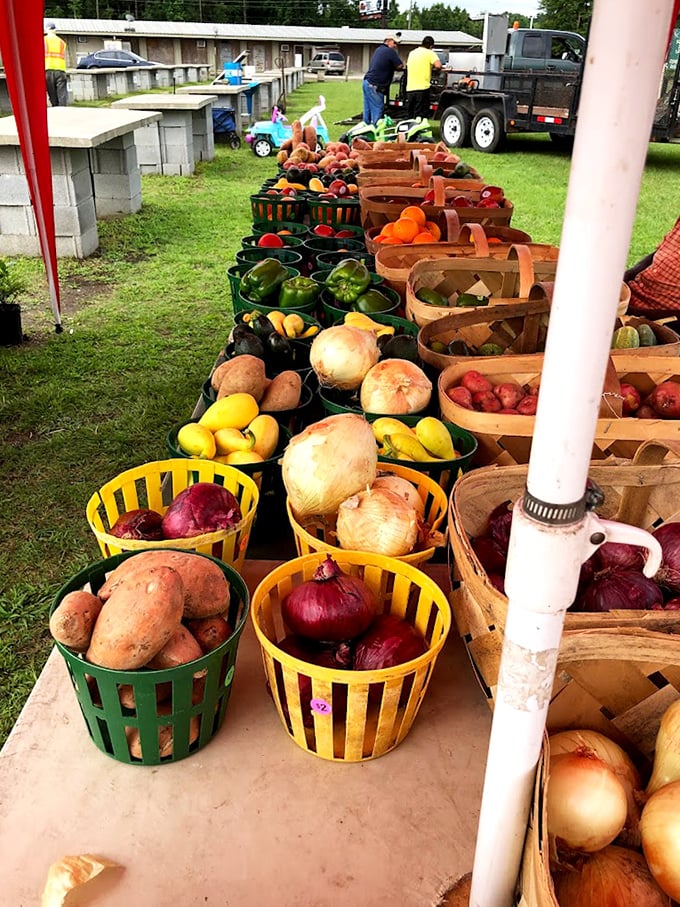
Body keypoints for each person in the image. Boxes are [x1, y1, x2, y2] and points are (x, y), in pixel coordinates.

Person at [624, 214, 680, 320]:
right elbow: (664, 250)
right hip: (632, 295)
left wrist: (636, 314)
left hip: (662, 319)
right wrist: (625, 277)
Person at [362, 36, 404, 126]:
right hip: (375, 85)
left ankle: (365, 129)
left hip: (367, 81)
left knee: (368, 109)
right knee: (378, 108)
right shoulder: (390, 51)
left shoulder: (378, 50)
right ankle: (376, 131)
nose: (395, 46)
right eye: (394, 43)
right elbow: (400, 65)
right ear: (388, 41)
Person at [406, 36, 443, 120]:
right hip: (422, 88)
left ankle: (408, 129)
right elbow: (438, 65)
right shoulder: (430, 53)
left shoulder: (412, 52)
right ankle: (418, 130)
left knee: (410, 113)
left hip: (410, 88)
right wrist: (436, 70)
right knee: (420, 114)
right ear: (431, 46)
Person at [44, 22, 69, 108]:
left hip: (47, 70)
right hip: (60, 70)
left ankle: (55, 110)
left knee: (52, 96)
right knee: (62, 96)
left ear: (46, 30)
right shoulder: (62, 42)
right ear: (55, 30)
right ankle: (63, 113)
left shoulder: (43, 40)